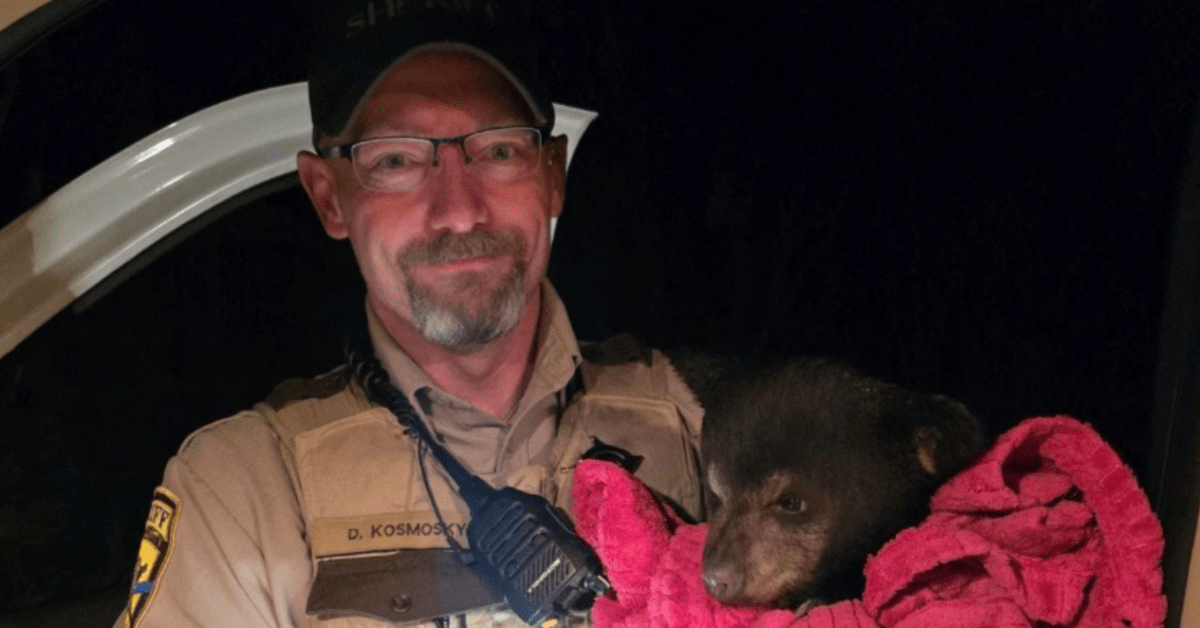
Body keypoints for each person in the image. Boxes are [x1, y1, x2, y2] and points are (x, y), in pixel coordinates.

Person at [114, 2, 703, 627]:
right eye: (395, 160)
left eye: (499, 150)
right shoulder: (239, 491)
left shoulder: (700, 418)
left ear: (552, 175)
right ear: (328, 198)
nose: (458, 210)